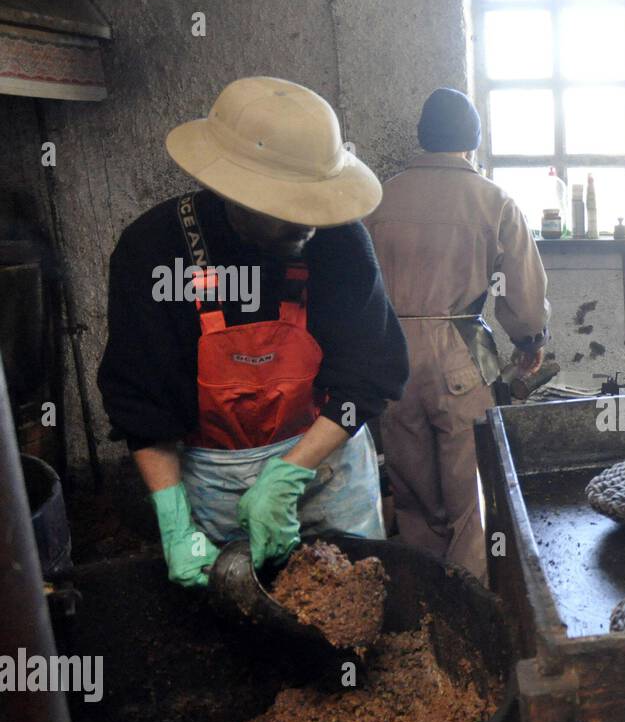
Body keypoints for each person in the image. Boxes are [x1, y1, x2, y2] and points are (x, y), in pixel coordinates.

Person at [98, 77, 409, 586]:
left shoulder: (340, 242)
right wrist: (175, 524)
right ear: (234, 193)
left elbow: (367, 384)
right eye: (288, 208)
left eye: (315, 202)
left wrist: (288, 475)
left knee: (353, 601)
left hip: (328, 467)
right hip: (215, 486)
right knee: (238, 615)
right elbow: (142, 409)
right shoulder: (154, 252)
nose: (309, 224)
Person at [365, 88, 550, 582]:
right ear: (473, 141)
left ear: (423, 137)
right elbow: (522, 292)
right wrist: (529, 340)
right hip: (459, 355)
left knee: (412, 495)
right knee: (473, 499)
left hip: (392, 357)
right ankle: (473, 602)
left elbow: (357, 286)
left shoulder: (378, 199)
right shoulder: (493, 200)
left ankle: (427, 600)